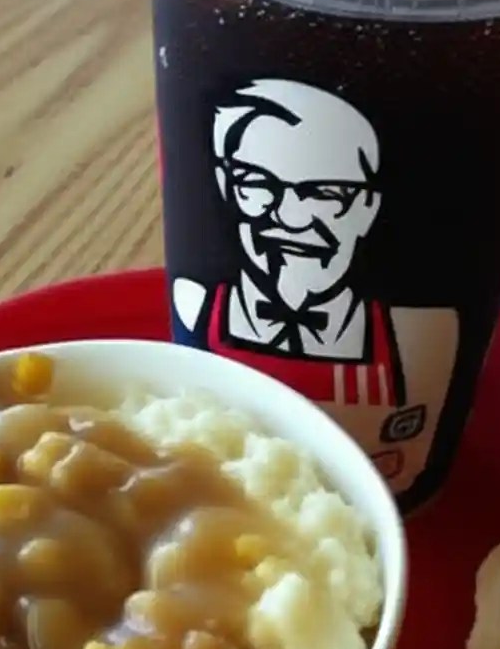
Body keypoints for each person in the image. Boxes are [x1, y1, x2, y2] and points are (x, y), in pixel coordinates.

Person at [170, 78, 459, 490]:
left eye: (325, 193)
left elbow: (408, 471)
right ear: (226, 188)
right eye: (257, 186)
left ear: (366, 208)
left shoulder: (419, 336)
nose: (290, 217)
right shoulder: (195, 304)